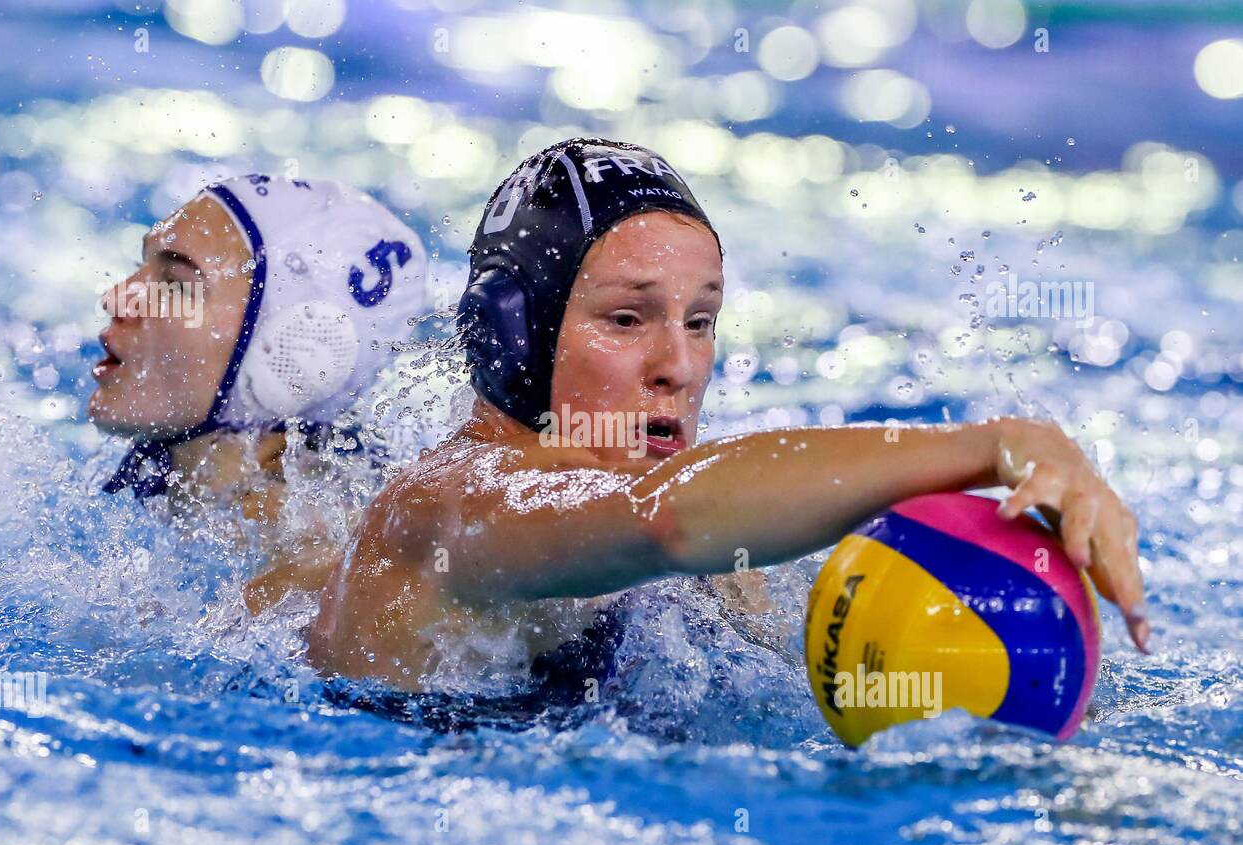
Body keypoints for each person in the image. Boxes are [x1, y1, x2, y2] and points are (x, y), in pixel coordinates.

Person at [308, 138, 1150, 705]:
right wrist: (985, 447)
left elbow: (816, 668)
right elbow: (670, 518)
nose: (678, 366)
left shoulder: (708, 552)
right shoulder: (450, 508)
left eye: (701, 321)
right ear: (513, 334)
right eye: (627, 320)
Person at [89, 173, 428, 608]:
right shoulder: (165, 470)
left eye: (175, 284)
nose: (117, 297)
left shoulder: (306, 548)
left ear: (292, 353)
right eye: (143, 265)